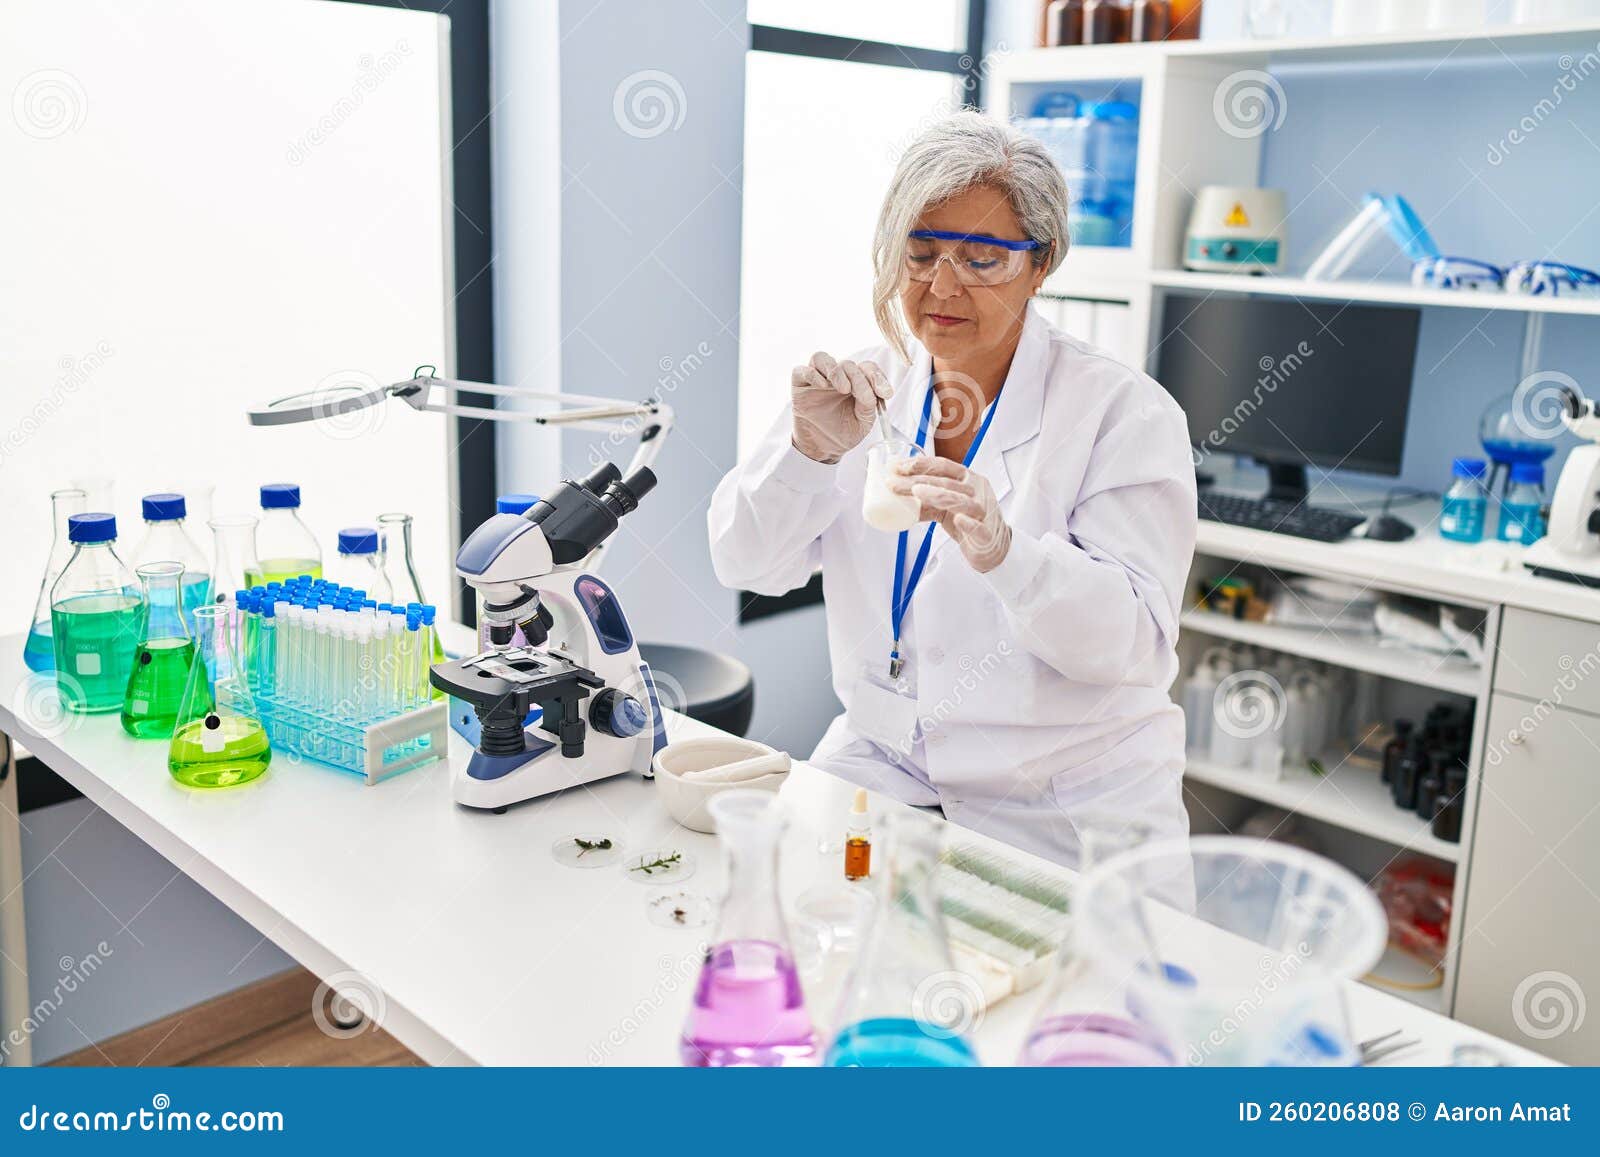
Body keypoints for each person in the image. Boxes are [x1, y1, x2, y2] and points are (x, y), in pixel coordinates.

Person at [707, 112, 1197, 866]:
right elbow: (743, 563)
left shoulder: (1123, 414)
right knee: (785, 903)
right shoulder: (861, 390)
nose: (941, 286)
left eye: (981, 259)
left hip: (1065, 800)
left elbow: (1127, 650)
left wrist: (1007, 554)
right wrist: (808, 454)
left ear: (1041, 263)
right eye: (921, 252)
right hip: (886, 760)